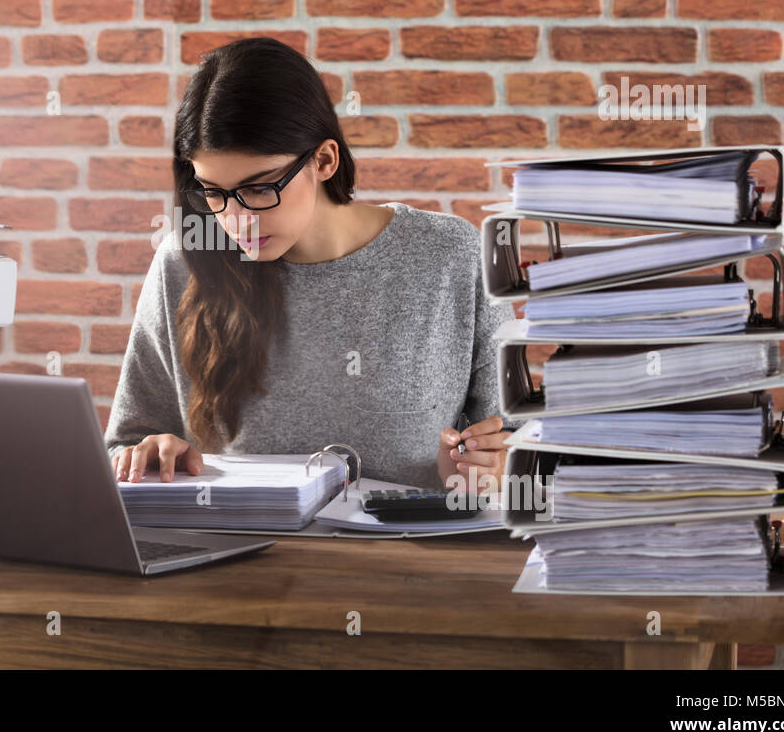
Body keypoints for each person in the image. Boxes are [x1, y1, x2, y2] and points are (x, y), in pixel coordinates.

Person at [105, 36, 519, 493]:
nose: (233, 220)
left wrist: (490, 471)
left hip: (404, 558)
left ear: (324, 160)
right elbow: (121, 448)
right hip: (236, 556)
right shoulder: (185, 263)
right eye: (214, 193)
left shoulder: (451, 257)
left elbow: (521, 448)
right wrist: (147, 453)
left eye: (259, 188)